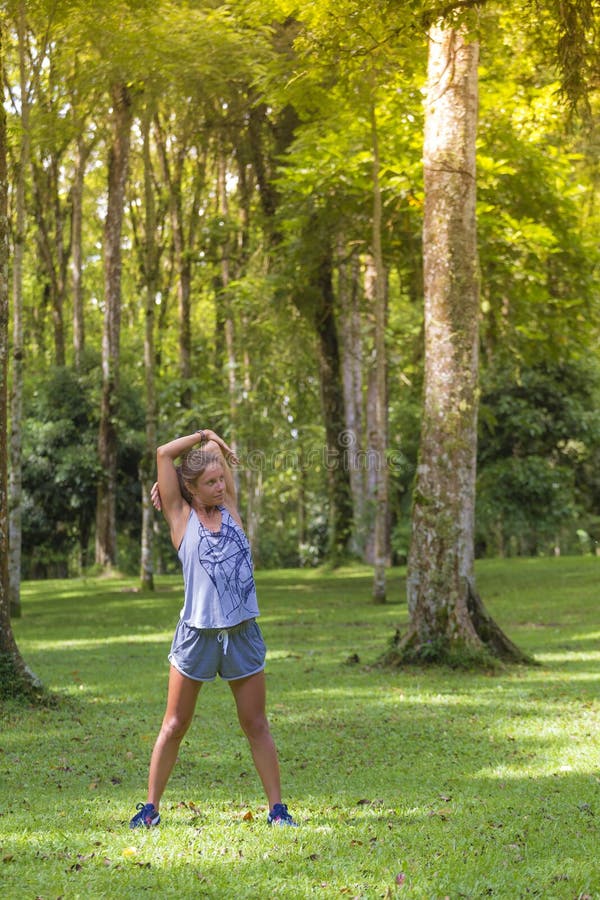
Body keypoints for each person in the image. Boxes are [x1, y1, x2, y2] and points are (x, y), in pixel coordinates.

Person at [129, 427, 297, 829]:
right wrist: (201, 435)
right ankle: (150, 809)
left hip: (241, 632)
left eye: (221, 478)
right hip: (197, 635)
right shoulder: (180, 518)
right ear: (190, 488)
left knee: (256, 723)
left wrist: (213, 441)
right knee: (174, 725)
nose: (220, 485)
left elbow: (214, 454)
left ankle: (277, 811)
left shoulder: (232, 509)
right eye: (210, 482)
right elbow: (164, 453)